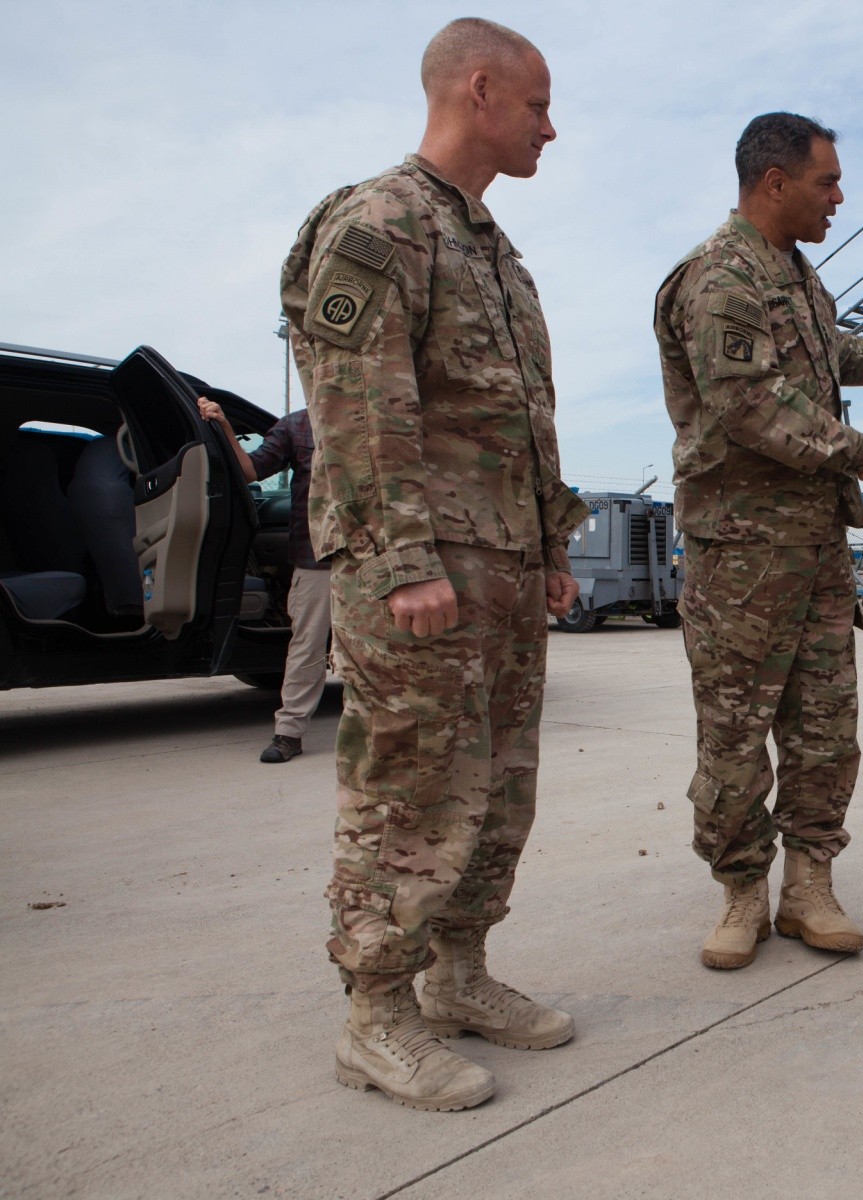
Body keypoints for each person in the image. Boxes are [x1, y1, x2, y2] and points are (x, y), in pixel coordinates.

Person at [279, 17, 590, 1111]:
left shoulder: (494, 251)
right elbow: (360, 408)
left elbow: (522, 419)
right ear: (480, 89)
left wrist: (552, 547)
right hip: (422, 569)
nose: (552, 127)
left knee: (499, 785)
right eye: (539, 104)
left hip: (501, 564)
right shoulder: (381, 223)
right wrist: (405, 558)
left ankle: (460, 976)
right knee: (411, 787)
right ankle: (376, 1014)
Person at [654, 112, 863, 971]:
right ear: (776, 182)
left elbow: (831, 355)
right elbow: (751, 406)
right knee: (736, 729)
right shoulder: (720, 278)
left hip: (814, 544)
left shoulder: (800, 280)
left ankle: (810, 884)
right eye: (827, 182)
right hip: (741, 552)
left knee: (823, 724)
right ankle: (742, 891)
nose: (840, 197)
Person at [197, 398, 328, 764]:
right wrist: (223, 424)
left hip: (372, 555)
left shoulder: (381, 417)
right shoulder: (298, 425)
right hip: (317, 556)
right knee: (307, 648)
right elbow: (251, 470)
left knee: (379, 650)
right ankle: (289, 733)